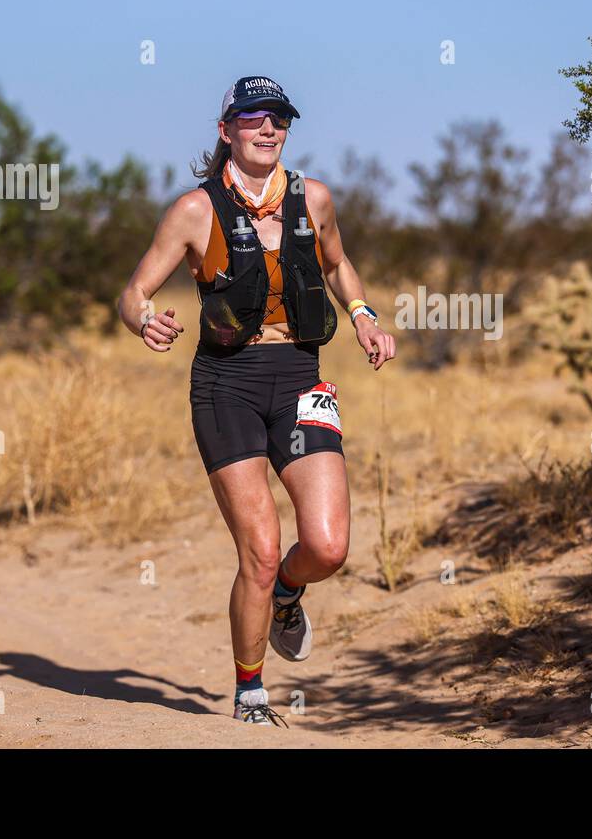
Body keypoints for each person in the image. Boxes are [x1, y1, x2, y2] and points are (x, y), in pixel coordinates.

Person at [117, 76, 396, 725]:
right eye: (252, 119)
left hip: (301, 378)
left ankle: (288, 596)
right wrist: (145, 320)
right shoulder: (195, 210)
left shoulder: (313, 197)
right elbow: (133, 293)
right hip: (227, 385)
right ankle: (250, 692)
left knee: (326, 546)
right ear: (226, 131)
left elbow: (335, 264)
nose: (267, 129)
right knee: (261, 551)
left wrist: (362, 315)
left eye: (278, 119)